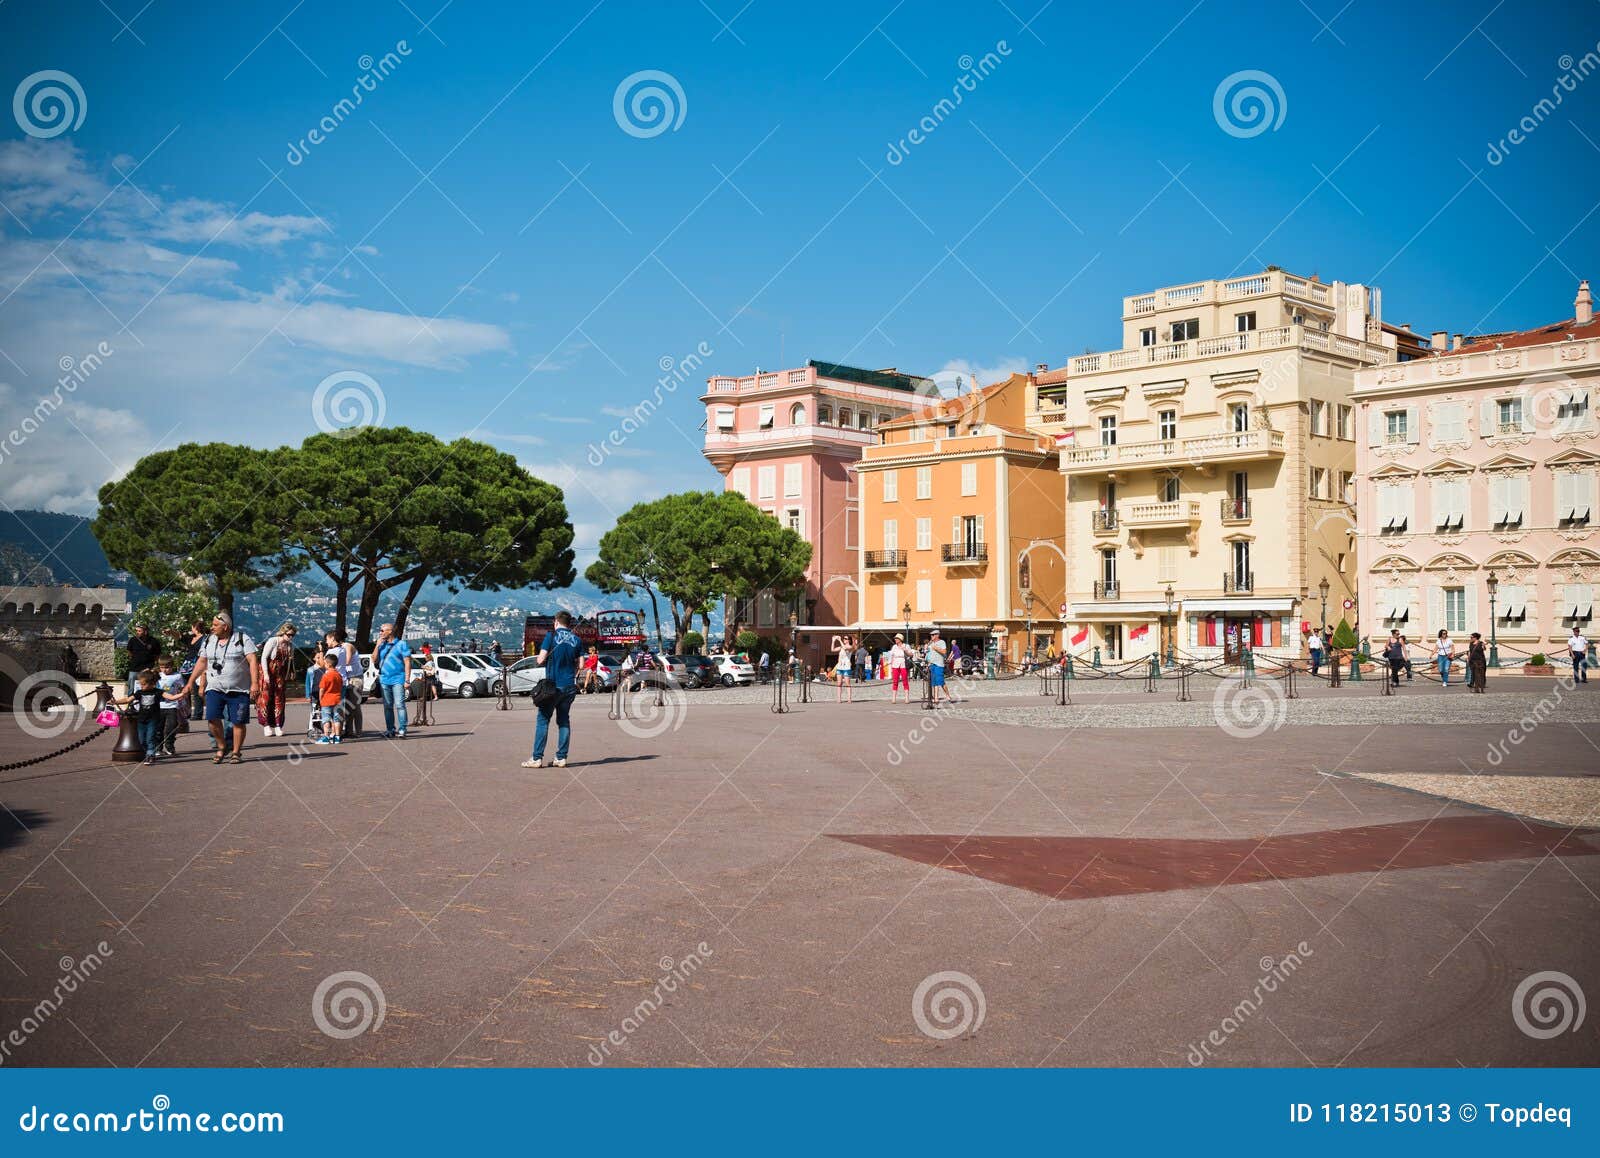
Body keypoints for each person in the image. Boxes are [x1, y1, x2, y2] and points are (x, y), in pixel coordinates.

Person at [179, 611, 260, 764]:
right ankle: (221, 747)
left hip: (239, 689)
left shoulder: (242, 639)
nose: (212, 627)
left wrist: (255, 683)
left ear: (225, 627)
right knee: (212, 718)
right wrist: (190, 682)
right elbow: (202, 662)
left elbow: (253, 661)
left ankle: (236, 752)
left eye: (215, 625)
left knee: (238, 722)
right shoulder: (208, 640)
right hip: (214, 688)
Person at [523, 610, 581, 769]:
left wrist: (544, 658)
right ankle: (561, 758)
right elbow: (581, 664)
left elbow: (540, 659)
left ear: (556, 622)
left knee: (542, 720)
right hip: (569, 686)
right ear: (569, 623)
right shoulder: (577, 639)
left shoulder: (551, 636)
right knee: (563, 721)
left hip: (553, 686)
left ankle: (537, 758)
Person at [114, 669, 167, 762]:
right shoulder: (139, 692)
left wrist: (181, 695)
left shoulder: (157, 692)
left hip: (153, 719)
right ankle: (146, 753)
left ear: (152, 684)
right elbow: (127, 700)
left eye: (143, 684)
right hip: (141, 720)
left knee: (150, 737)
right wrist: (114, 701)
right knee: (141, 739)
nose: (141, 686)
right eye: (140, 684)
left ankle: (150, 754)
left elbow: (170, 697)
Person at [371, 623, 412, 738]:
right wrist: (377, 646)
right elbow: (374, 660)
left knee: (400, 704)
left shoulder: (401, 644)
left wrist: (407, 680)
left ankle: (402, 728)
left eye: (382, 630)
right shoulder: (381, 645)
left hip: (398, 678)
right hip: (384, 679)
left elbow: (407, 662)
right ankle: (390, 729)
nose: (380, 632)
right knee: (387, 706)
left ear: (390, 631)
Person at [259, 622, 296, 737]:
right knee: (265, 698)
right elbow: (264, 657)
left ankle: (278, 724)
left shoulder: (290, 646)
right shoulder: (273, 641)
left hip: (280, 674)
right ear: (283, 632)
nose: (291, 637)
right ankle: (266, 725)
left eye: (292, 635)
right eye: (289, 634)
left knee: (279, 699)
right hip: (268, 672)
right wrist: (265, 674)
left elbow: (289, 662)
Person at [156, 656, 184, 756]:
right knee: (158, 728)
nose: (164, 670)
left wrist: (182, 701)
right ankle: (158, 748)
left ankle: (170, 747)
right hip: (159, 706)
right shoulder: (157, 676)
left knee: (171, 727)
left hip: (172, 706)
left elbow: (182, 688)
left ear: (172, 666)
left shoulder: (177, 676)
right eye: (162, 667)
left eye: (167, 667)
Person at [315, 652, 345, 744]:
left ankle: (326, 737)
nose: (324, 663)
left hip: (327, 700)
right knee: (337, 719)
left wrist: (320, 699)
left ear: (328, 664)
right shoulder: (339, 675)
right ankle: (337, 737)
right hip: (337, 699)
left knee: (326, 719)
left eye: (324, 662)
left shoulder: (326, 676)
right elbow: (341, 687)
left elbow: (322, 689)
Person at [126, 622, 161, 693]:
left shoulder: (154, 641)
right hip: (135, 668)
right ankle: (130, 702)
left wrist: (154, 666)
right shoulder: (133, 640)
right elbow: (129, 652)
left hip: (148, 668)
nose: (137, 632)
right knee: (131, 688)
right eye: (136, 631)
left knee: (149, 686)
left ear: (145, 631)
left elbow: (157, 655)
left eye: (139, 631)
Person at [927, 628, 955, 704]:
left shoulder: (942, 642)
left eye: (933, 635)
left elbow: (944, 651)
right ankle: (936, 698)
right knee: (934, 682)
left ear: (937, 635)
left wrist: (936, 648)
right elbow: (929, 654)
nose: (931, 636)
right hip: (932, 664)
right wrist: (928, 662)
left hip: (939, 664)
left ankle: (948, 695)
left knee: (940, 681)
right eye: (931, 635)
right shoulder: (931, 643)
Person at [888, 632, 911, 704]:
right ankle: (893, 698)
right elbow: (891, 655)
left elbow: (911, 654)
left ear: (900, 639)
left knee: (905, 680)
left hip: (903, 664)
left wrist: (905, 650)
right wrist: (890, 663)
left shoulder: (906, 646)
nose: (895, 639)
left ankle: (907, 698)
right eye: (895, 638)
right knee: (895, 681)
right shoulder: (894, 647)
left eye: (896, 638)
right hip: (895, 664)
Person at [835, 635, 854, 703]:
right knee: (839, 683)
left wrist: (839, 640)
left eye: (846, 638)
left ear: (849, 640)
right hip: (840, 666)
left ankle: (849, 698)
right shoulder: (841, 646)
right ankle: (839, 698)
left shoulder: (850, 647)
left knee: (847, 683)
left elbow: (846, 649)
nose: (844, 639)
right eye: (844, 638)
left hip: (846, 667)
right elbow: (832, 649)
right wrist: (833, 641)